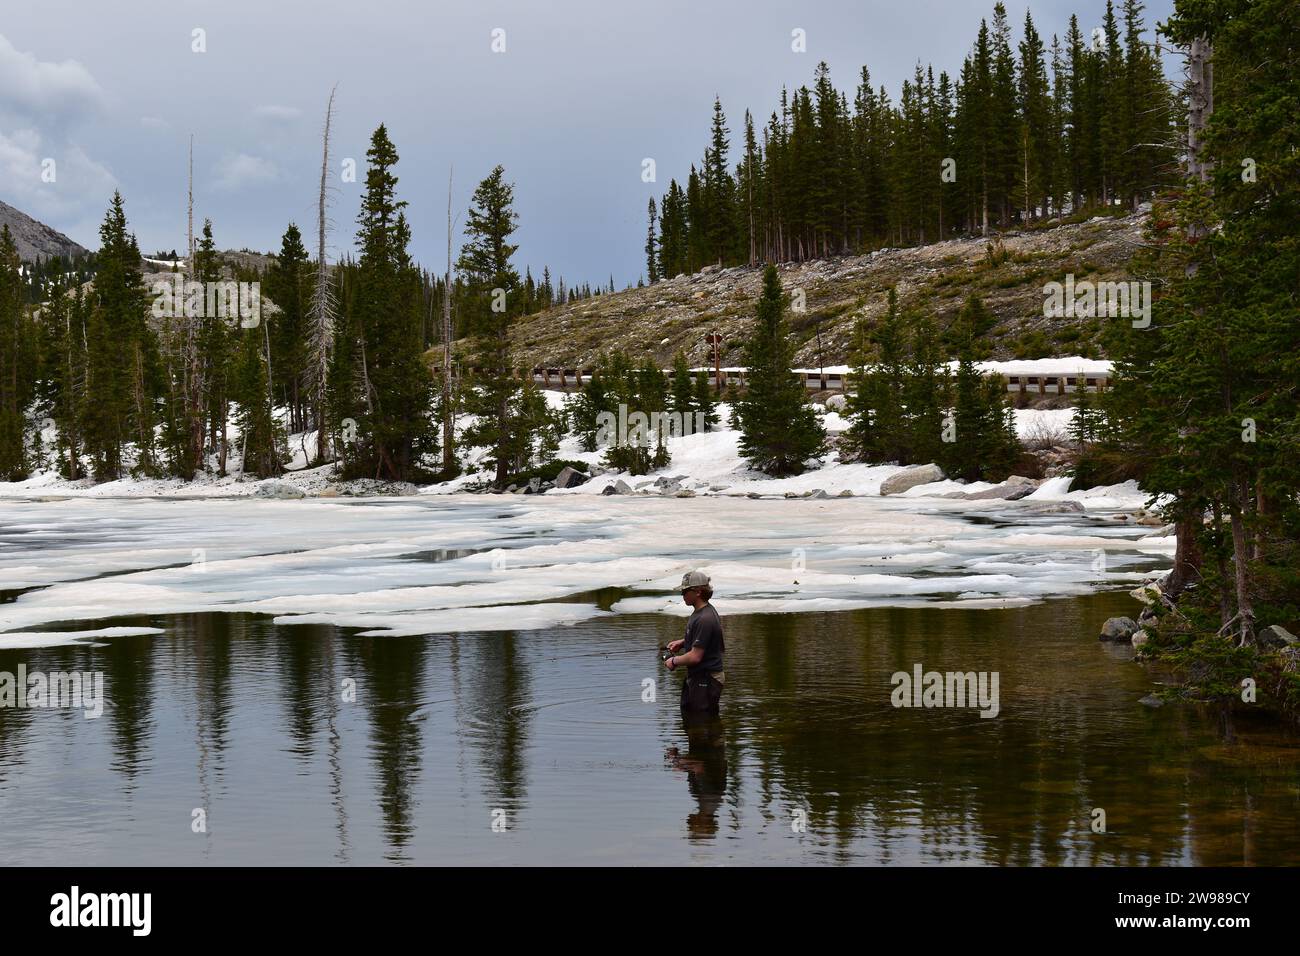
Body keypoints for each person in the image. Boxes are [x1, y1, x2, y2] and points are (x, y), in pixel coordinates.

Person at [664, 570, 724, 714]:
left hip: (707, 679)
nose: (682, 595)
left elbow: (695, 657)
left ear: (698, 592)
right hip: (699, 677)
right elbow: (704, 639)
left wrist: (673, 661)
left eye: (685, 591)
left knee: (701, 724)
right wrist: (684, 642)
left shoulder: (705, 618)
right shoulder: (702, 612)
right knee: (691, 718)